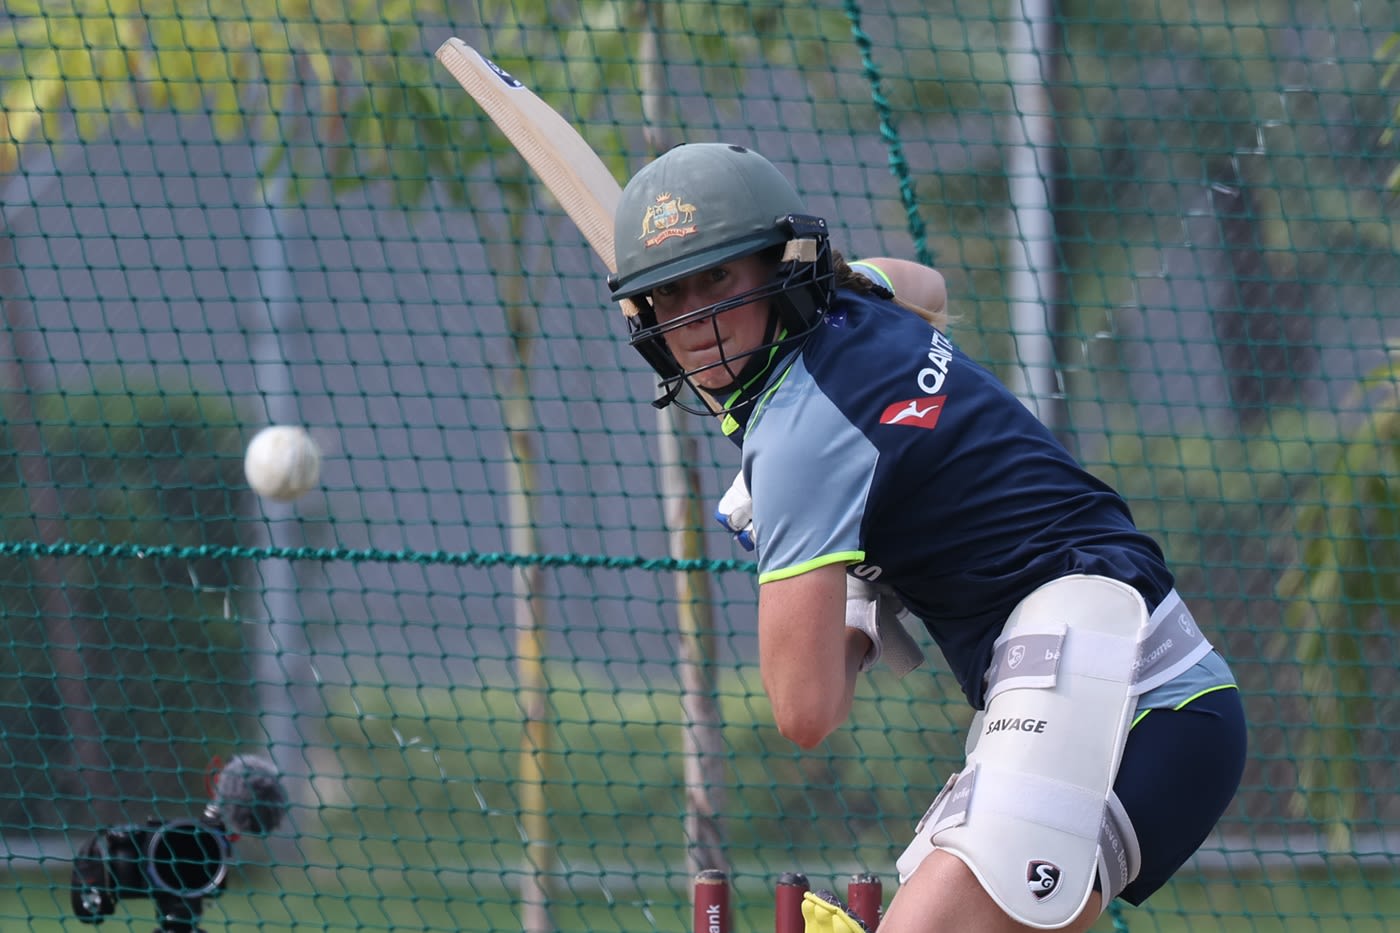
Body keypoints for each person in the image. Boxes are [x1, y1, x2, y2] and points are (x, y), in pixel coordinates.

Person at [607, 142, 1246, 933]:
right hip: (1147, 693)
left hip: (1127, 691)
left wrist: (811, 537)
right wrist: (852, 560)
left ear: (780, 266)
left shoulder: (799, 441)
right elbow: (928, 288)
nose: (696, 321)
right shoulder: (859, 300)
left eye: (717, 279)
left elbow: (806, 710)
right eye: (669, 293)